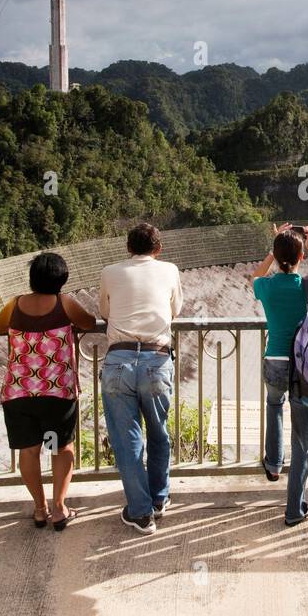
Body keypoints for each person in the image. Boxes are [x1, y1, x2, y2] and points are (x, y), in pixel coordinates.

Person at [0, 252, 96, 531]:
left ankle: (39, 509)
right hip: (56, 394)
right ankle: (59, 509)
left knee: (29, 451)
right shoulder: (64, 303)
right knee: (58, 448)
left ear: (32, 277)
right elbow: (89, 322)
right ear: (62, 278)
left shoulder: (15, 304)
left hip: (19, 393)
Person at [251, 222, 308, 526]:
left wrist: (274, 247)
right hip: (304, 366)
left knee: (274, 408)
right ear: (301, 257)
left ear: (277, 255)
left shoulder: (267, 286)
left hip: (274, 361)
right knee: (302, 439)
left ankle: (273, 464)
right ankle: (294, 510)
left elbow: (256, 277)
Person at [99, 222, 183, 534]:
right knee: (158, 432)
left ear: (128, 248)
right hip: (157, 359)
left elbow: (104, 310)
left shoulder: (110, 271)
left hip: (118, 361)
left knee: (127, 440)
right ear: (158, 249)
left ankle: (140, 511)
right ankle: (159, 499)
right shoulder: (170, 270)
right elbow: (176, 309)